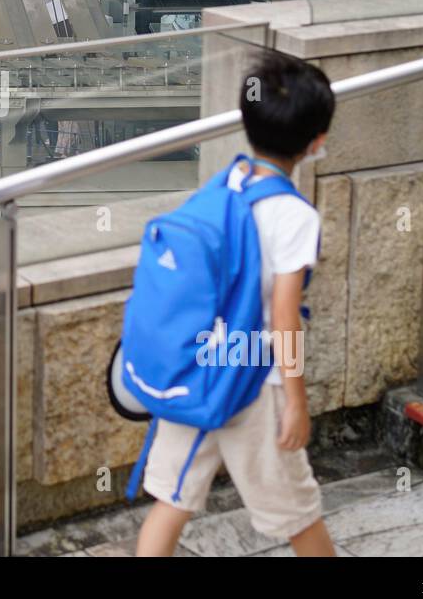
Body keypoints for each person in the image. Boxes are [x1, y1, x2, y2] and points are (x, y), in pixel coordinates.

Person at [135, 49, 337, 559]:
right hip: (254, 385)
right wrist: (296, 400)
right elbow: (284, 318)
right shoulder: (295, 217)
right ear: (317, 143)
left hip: (197, 372)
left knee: (172, 502)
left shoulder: (227, 183)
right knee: (299, 514)